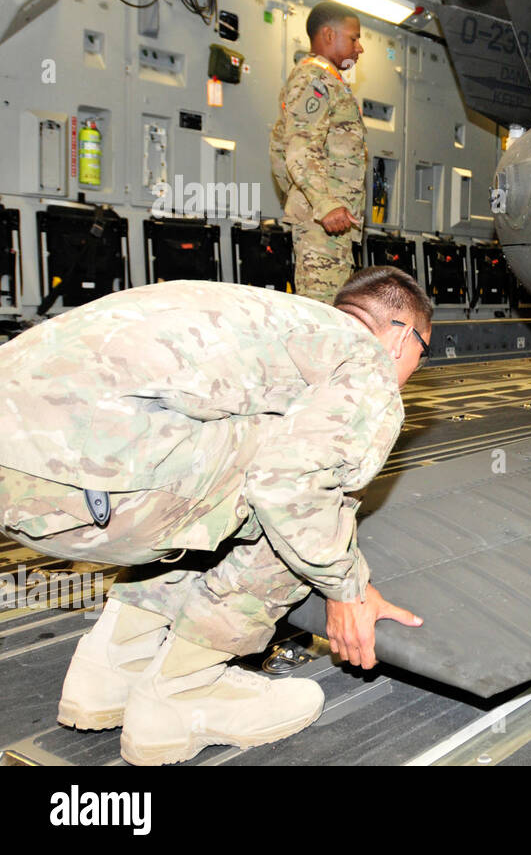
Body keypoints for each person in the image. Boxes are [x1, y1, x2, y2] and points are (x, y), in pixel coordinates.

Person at [0, 267, 431, 765]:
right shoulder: (365, 359)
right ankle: (184, 693)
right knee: (302, 492)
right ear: (400, 336)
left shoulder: (278, 321)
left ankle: (111, 666)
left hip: (31, 476)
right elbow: (286, 487)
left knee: (215, 469)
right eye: (422, 354)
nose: (413, 373)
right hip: (80, 480)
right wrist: (346, 587)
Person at [270, 1, 367, 303]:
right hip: (321, 225)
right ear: (328, 34)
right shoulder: (314, 78)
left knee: (333, 314)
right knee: (322, 317)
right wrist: (325, 205)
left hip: (330, 226)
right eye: (354, 38)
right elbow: (299, 148)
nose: (359, 48)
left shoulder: (328, 80)